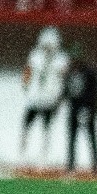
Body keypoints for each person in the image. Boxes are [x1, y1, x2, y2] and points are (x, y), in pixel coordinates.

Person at [21, 27, 68, 167]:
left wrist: (60, 95)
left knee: (46, 129)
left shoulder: (61, 58)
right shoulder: (35, 55)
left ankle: (44, 157)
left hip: (50, 98)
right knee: (26, 126)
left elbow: (64, 76)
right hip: (34, 97)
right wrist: (25, 85)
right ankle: (23, 155)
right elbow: (28, 71)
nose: (48, 47)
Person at [61, 47, 97, 172]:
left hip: (87, 108)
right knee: (72, 137)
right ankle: (71, 165)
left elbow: (95, 92)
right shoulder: (68, 72)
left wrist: (93, 108)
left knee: (91, 136)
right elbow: (65, 91)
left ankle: (95, 165)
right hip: (74, 108)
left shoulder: (89, 72)